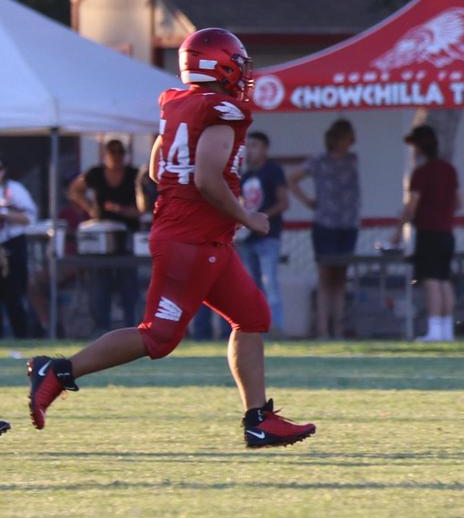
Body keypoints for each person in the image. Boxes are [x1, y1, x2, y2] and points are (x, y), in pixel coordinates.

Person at [24, 28, 315, 447]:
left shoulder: (178, 103)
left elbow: (159, 170)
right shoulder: (223, 110)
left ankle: (258, 420)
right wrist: (248, 217)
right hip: (191, 239)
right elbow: (206, 177)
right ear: (222, 65)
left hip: (200, 236)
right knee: (157, 337)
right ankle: (59, 371)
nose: (245, 70)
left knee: (252, 317)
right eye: (238, 61)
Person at [292, 118, 360, 339]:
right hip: (325, 224)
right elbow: (291, 178)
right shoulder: (318, 161)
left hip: (348, 224)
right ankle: (323, 329)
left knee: (341, 278)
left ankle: (338, 328)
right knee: (325, 278)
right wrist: (307, 201)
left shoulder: (352, 160)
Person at [69, 139, 145, 330]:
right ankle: (101, 326)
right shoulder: (95, 173)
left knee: (128, 284)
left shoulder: (133, 175)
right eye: (113, 152)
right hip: (101, 236)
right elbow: (75, 190)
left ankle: (131, 325)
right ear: (105, 155)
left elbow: (143, 206)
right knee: (99, 285)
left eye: (120, 152)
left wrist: (124, 210)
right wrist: (89, 208)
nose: (117, 156)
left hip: (127, 234)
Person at [396, 124, 462, 342]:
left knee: (431, 281)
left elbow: (411, 205)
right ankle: (446, 330)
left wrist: (399, 228)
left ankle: (434, 330)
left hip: (429, 232)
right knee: (444, 280)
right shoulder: (449, 170)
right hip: (447, 233)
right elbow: (459, 202)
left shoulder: (421, 173)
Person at [235, 132, 289, 336]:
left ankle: (276, 328)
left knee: (270, 283)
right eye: (248, 146)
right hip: (248, 239)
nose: (251, 150)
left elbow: (283, 202)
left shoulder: (273, 171)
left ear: (265, 148)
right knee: (251, 287)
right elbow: (241, 205)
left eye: (255, 145)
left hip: (268, 237)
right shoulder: (246, 175)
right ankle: (255, 329)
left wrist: (260, 218)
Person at [0, 157, 38, 339]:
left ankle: (21, 336)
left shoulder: (13, 189)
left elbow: (29, 217)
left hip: (11, 244)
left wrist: (5, 214)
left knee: (14, 294)